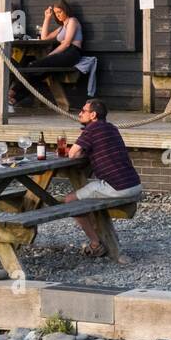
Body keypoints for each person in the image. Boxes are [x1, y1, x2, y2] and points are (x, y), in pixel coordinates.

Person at [66, 99, 142, 259]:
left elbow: (72, 154)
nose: (79, 114)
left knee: (70, 201)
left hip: (118, 187)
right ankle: (99, 236)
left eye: (83, 111)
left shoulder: (91, 130)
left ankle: (95, 244)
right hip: (134, 183)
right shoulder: (111, 128)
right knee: (91, 189)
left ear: (93, 115)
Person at [9, 0, 83, 108]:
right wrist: (47, 18)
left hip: (72, 52)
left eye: (60, 12)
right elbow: (44, 38)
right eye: (56, 13)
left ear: (66, 10)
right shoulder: (62, 27)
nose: (58, 15)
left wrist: (50, 55)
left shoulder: (72, 21)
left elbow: (67, 43)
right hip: (63, 53)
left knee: (32, 66)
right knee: (37, 76)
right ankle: (13, 100)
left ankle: (11, 92)